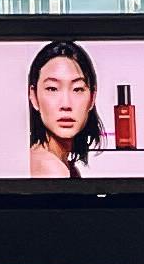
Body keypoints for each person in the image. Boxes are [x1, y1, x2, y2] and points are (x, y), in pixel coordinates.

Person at [25, 37, 100, 178]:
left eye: (77, 89)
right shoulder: (51, 169)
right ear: (33, 96)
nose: (66, 104)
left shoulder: (64, 166)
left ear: (92, 98)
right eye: (52, 89)